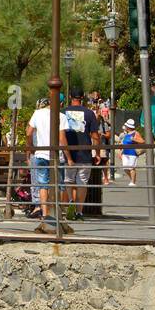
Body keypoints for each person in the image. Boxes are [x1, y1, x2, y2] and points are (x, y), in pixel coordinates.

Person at [26, 96, 73, 235]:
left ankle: (46, 215)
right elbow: (62, 139)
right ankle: (59, 214)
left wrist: (31, 147)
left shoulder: (37, 113)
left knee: (43, 185)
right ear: (62, 103)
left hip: (40, 154)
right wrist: (69, 157)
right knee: (60, 185)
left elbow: (28, 132)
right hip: (55, 156)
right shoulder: (61, 116)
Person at [63, 91, 100, 219]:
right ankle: (79, 211)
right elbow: (95, 136)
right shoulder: (89, 113)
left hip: (68, 154)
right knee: (82, 183)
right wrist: (98, 153)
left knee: (68, 180)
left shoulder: (63, 112)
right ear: (82, 98)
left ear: (70, 97)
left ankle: (70, 201)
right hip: (85, 153)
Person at [120, 118, 139, 186]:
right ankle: (132, 179)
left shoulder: (135, 133)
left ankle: (133, 182)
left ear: (128, 127)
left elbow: (142, 141)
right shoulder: (126, 134)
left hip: (132, 153)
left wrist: (134, 139)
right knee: (125, 168)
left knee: (131, 167)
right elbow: (124, 143)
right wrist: (121, 152)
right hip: (125, 153)